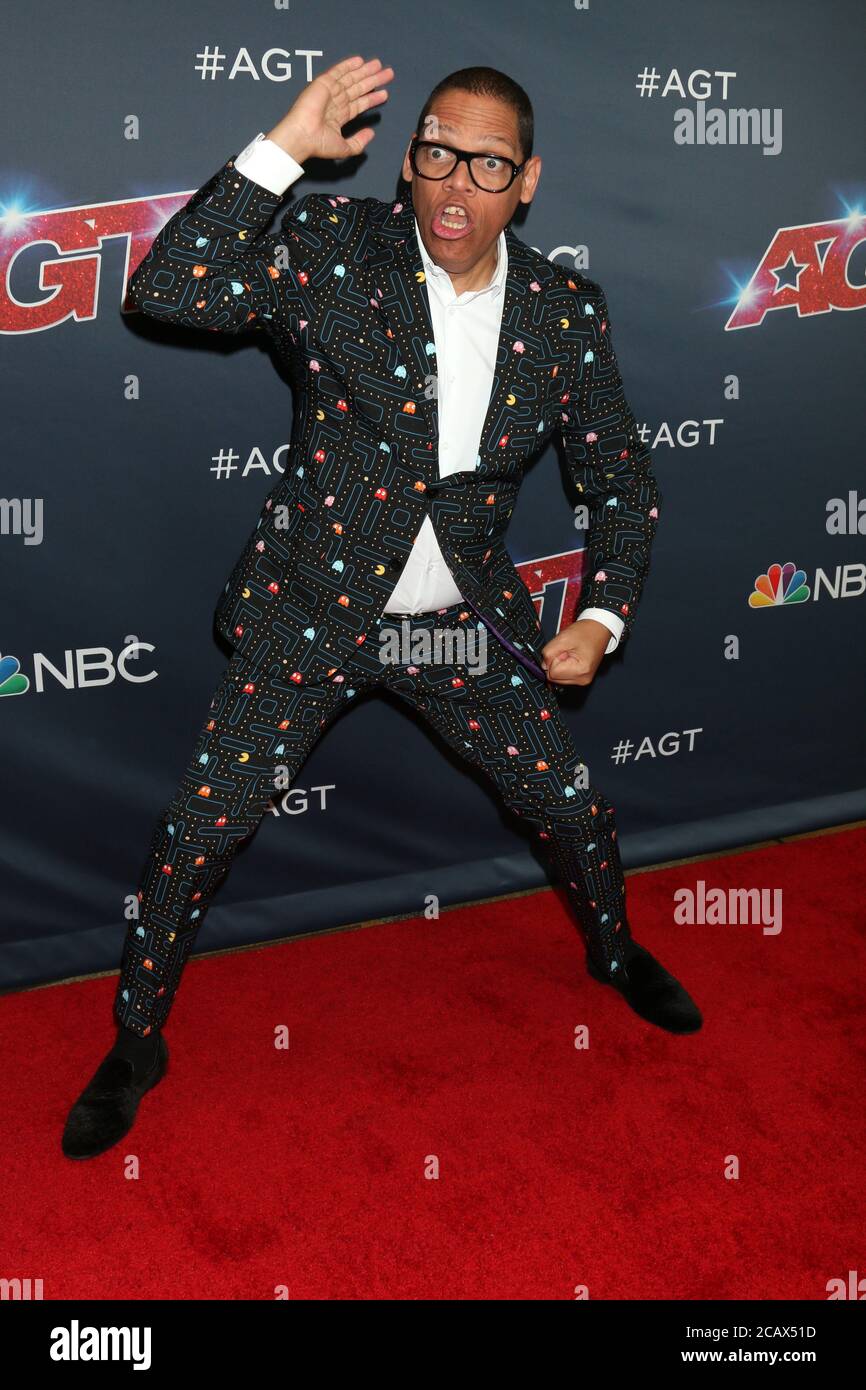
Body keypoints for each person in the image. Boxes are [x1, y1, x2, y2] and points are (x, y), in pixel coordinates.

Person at [62, 55, 701, 1162]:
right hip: (307, 615)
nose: (456, 182)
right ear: (407, 158)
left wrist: (600, 619)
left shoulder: (561, 313)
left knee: (568, 806)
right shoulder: (331, 250)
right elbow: (168, 290)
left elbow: (621, 485)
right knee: (197, 834)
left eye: (487, 163)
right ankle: (135, 1040)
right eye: (436, 151)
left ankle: (611, 950)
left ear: (527, 180)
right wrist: (282, 148)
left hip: (458, 624)